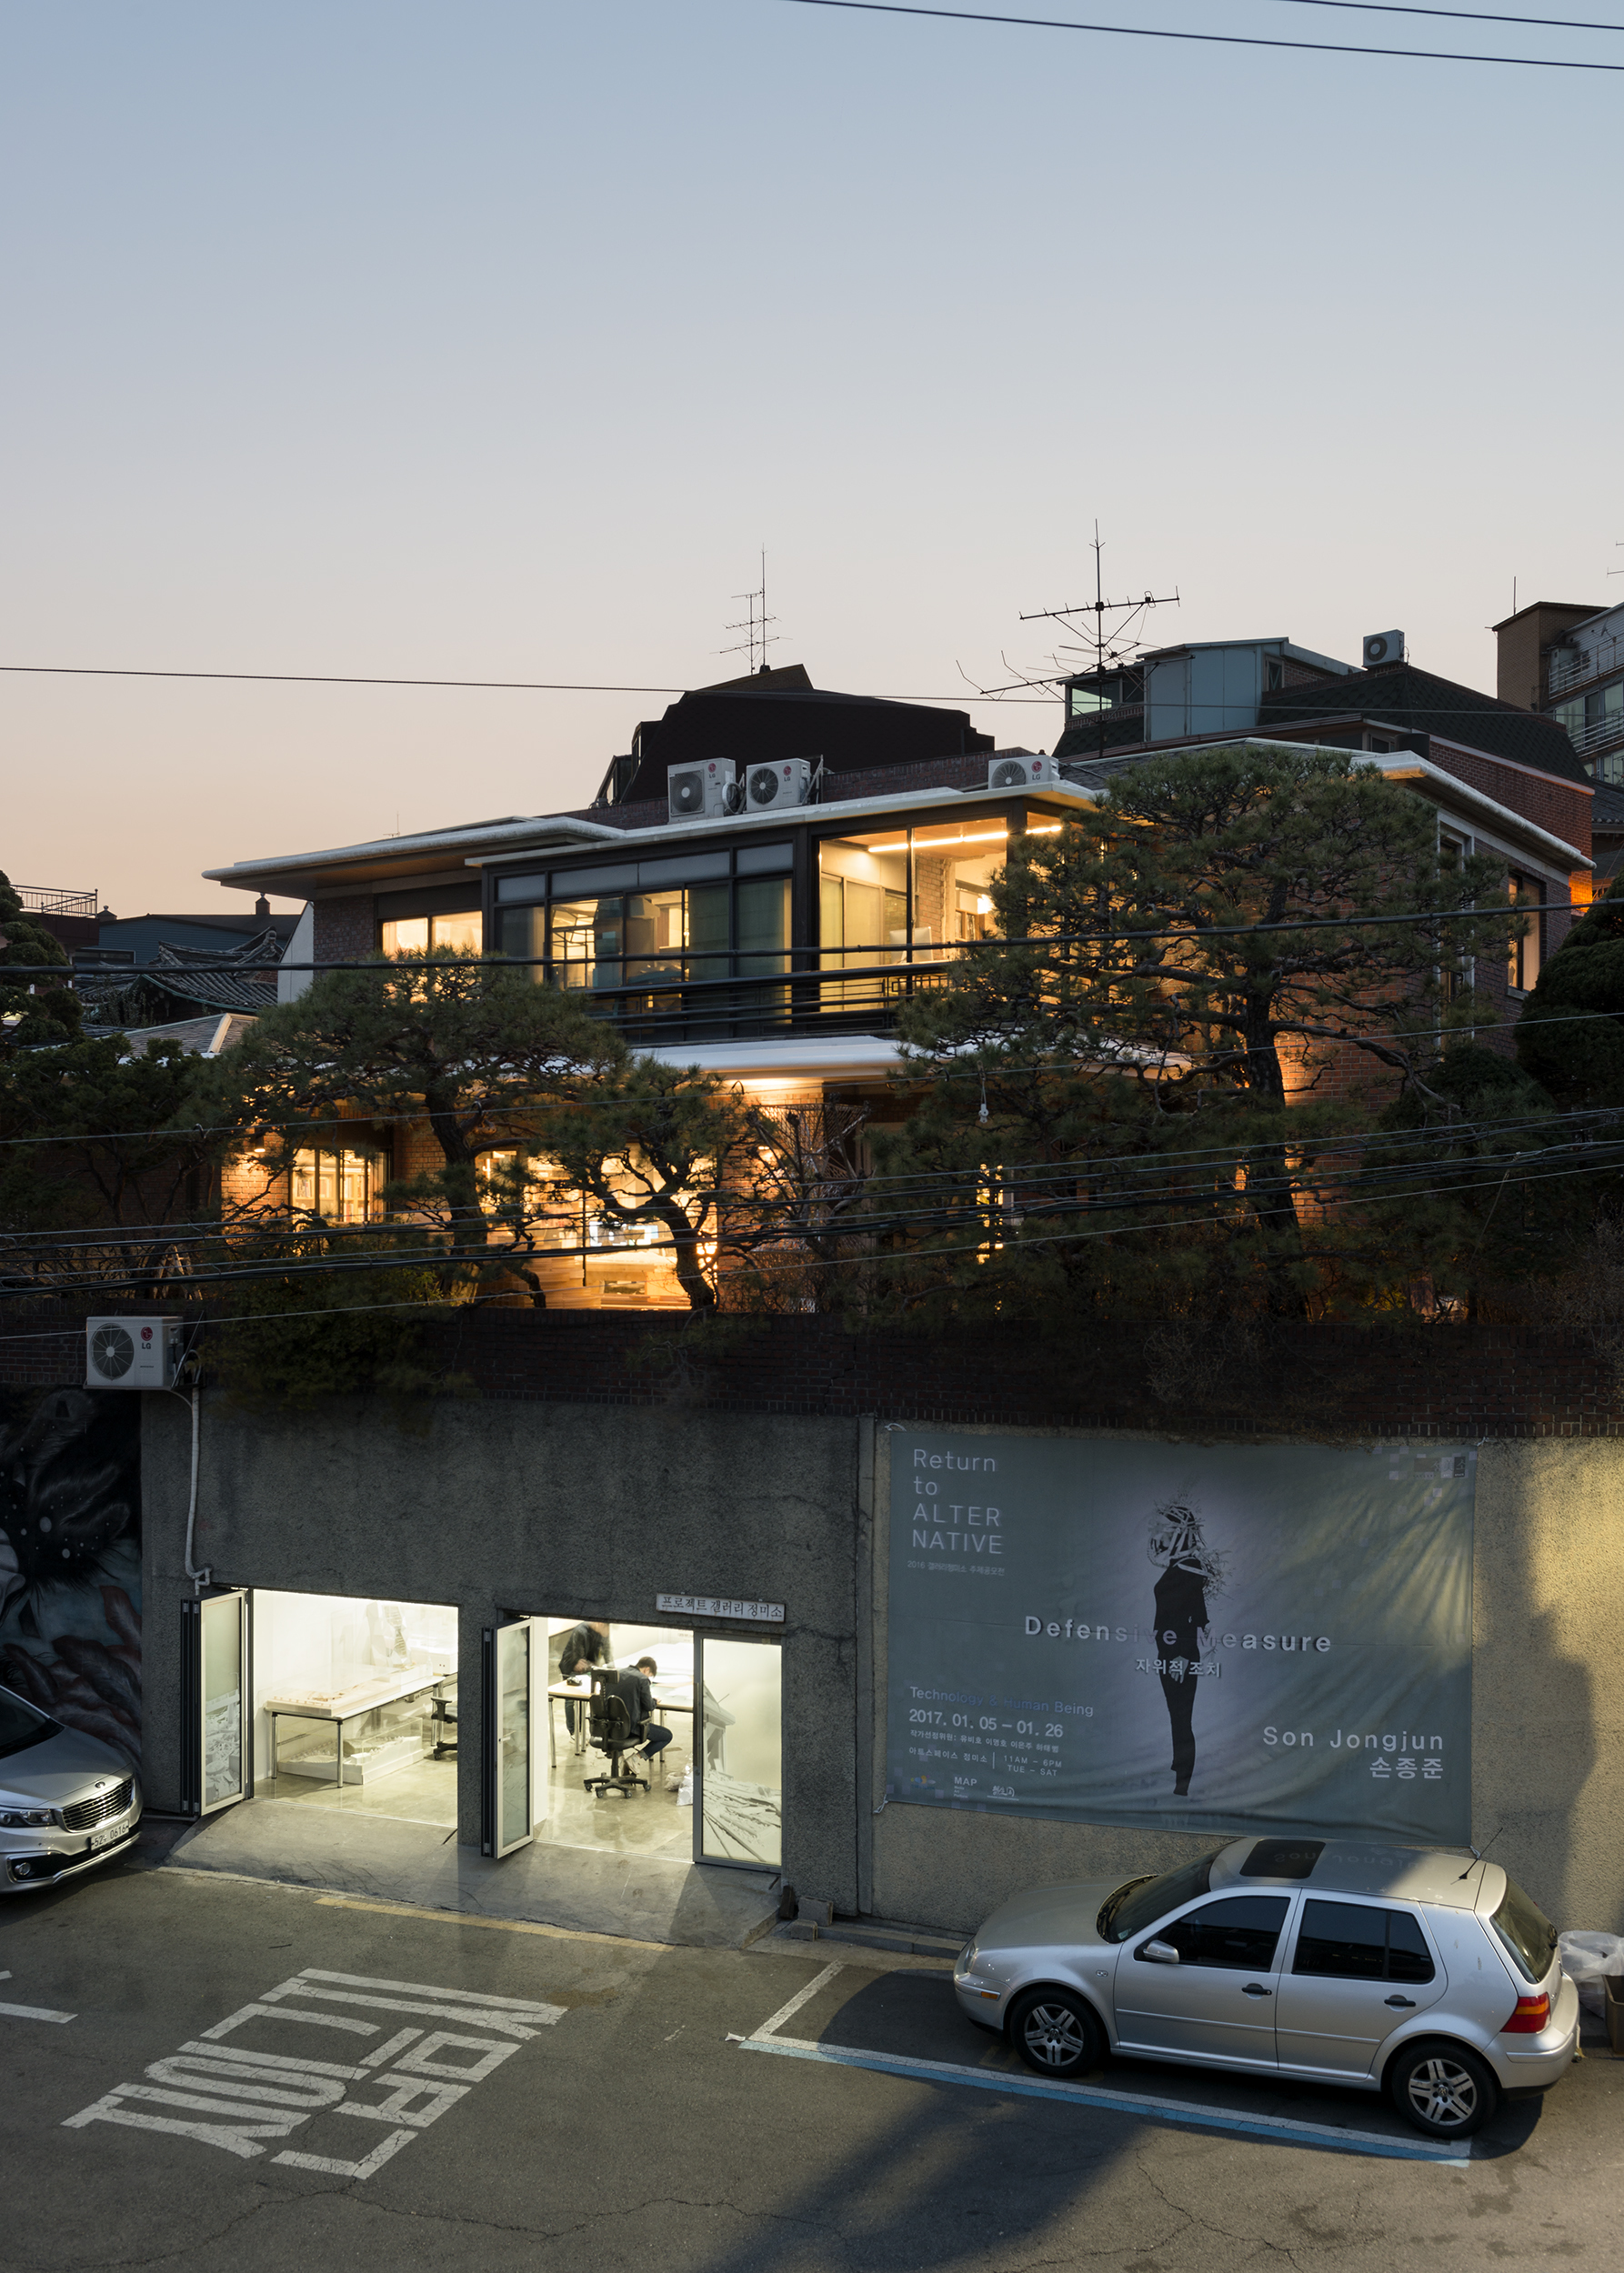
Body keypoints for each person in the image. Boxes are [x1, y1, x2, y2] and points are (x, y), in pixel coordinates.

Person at [1145, 1504, 1221, 1798]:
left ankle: (1182, 1781)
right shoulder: (1178, 1567)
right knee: (1176, 1715)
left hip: (1179, 1656)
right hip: (1169, 1655)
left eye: (1164, 1529)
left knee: (1181, 1718)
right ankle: (1180, 1768)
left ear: (1178, 1533)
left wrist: (1180, 1654)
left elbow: (1196, 1616)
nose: (1158, 1534)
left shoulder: (1189, 1569)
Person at [616, 1656, 675, 1767]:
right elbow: (649, 1706)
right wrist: (654, 1701)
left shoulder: (616, 1673)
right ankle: (635, 1758)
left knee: (615, 1730)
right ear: (646, 1669)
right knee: (667, 1736)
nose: (648, 1677)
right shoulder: (642, 1679)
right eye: (650, 1675)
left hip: (611, 1726)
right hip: (633, 1727)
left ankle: (619, 1757)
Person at [558, 1618, 608, 1735]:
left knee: (583, 1699)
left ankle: (579, 1731)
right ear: (599, 1623)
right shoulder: (580, 1631)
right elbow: (579, 1659)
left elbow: (607, 1651)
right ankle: (573, 1731)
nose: (608, 1632)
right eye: (607, 1628)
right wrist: (595, 1666)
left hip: (586, 1669)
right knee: (570, 1700)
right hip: (571, 1667)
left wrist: (611, 1668)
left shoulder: (601, 1633)